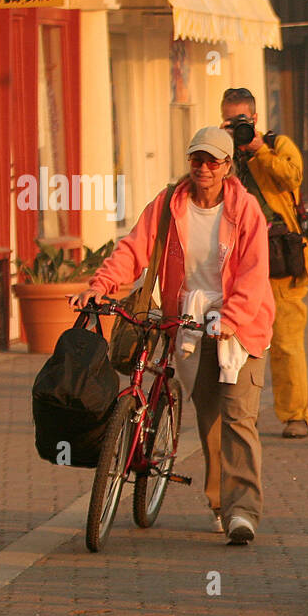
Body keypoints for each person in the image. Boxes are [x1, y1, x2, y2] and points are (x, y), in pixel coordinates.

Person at [76, 127, 275, 543]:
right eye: (197, 160)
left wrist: (231, 318)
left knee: (238, 416)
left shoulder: (246, 209)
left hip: (242, 327)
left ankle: (244, 513)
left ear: (226, 166)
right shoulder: (170, 203)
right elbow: (134, 248)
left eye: (213, 161)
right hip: (187, 322)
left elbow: (255, 272)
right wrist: (101, 284)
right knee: (209, 418)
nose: (203, 168)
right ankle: (220, 502)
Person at [221, 87, 308, 440]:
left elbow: (291, 178)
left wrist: (258, 150)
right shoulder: (220, 153)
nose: (236, 128)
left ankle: (295, 416)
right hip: (238, 261)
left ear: (255, 119)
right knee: (236, 339)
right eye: (230, 122)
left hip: (280, 258)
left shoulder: (277, 146)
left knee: (285, 341)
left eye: (242, 121)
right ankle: (242, 413)